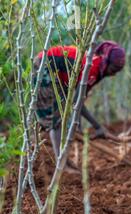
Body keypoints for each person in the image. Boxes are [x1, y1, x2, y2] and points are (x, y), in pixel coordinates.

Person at [34, 41, 126, 171]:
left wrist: (80, 125)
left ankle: (64, 159)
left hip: (57, 73)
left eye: (117, 71)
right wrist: (98, 127)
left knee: (61, 112)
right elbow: (78, 103)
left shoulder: (97, 66)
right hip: (45, 66)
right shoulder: (94, 67)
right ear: (106, 62)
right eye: (113, 70)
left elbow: (79, 98)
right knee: (55, 117)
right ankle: (62, 165)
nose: (113, 74)